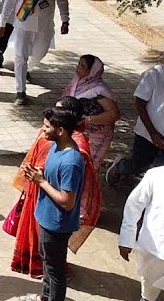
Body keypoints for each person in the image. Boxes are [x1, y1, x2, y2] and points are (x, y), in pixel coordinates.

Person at [20, 106, 86, 301]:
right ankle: (46, 296)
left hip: (57, 224)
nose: (43, 129)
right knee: (48, 263)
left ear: (61, 131)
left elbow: (67, 202)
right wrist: (38, 175)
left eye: (47, 126)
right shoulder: (56, 147)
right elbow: (54, 179)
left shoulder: (71, 162)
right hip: (46, 217)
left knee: (54, 270)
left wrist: (41, 181)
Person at [0, 0, 70, 105]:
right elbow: (10, 1)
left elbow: (62, 0)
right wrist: (2, 22)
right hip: (24, 24)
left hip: (44, 26)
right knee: (20, 56)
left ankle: (26, 68)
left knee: (40, 52)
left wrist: (65, 20)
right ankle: (20, 91)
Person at [109, 60, 164, 186]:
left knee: (160, 172)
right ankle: (120, 166)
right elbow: (140, 103)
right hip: (147, 134)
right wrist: (153, 133)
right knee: (138, 165)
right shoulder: (155, 74)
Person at [61, 54, 119, 168]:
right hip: (76, 130)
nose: (78, 67)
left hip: (95, 137)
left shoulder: (99, 90)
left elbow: (114, 114)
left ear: (92, 71)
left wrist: (87, 120)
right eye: (78, 64)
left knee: (87, 166)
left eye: (82, 66)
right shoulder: (77, 83)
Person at [119, 166, 164, 301]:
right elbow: (134, 205)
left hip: (154, 246)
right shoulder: (156, 175)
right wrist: (127, 238)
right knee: (149, 287)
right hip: (154, 247)